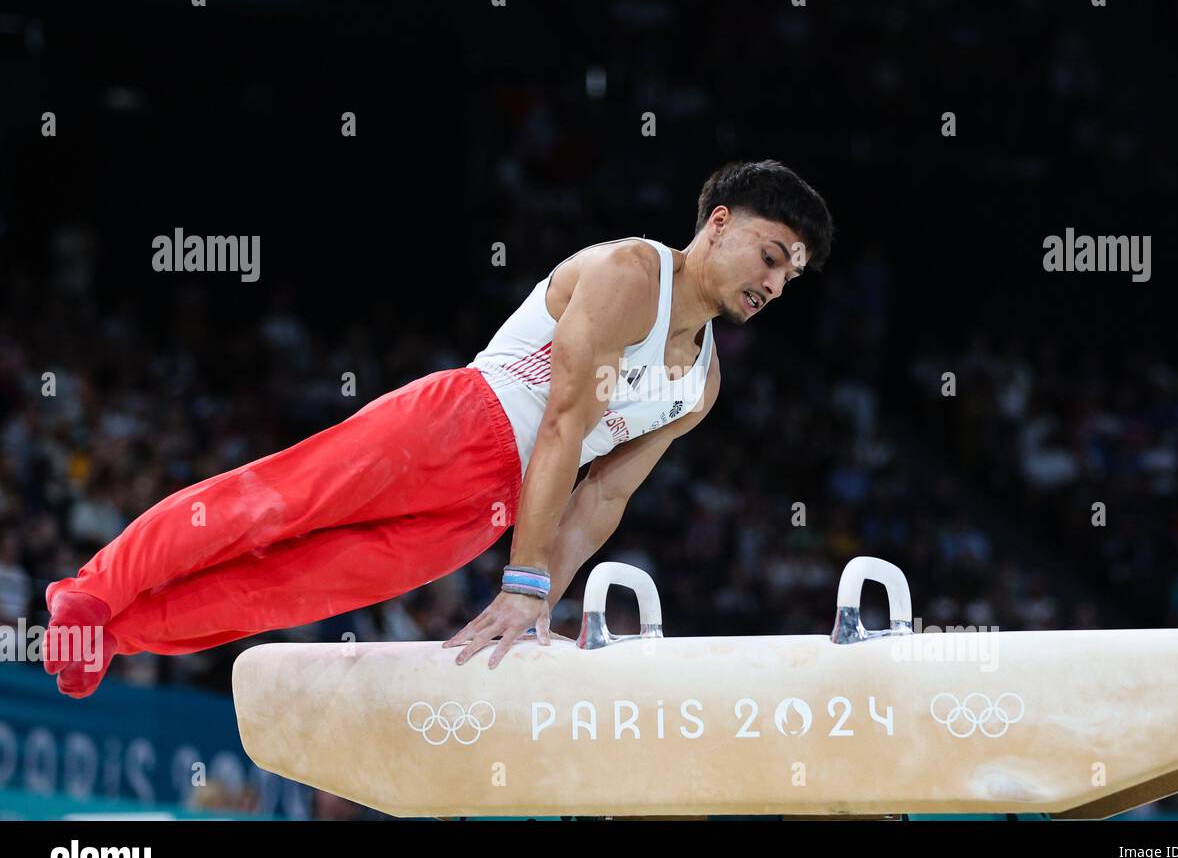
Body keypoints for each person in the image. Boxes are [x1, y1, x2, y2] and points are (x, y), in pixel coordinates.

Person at [43, 159, 834, 697]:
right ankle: (90, 593)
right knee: (269, 507)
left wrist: (535, 602)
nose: (772, 281)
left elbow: (602, 498)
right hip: (461, 425)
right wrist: (525, 577)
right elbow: (562, 421)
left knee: (290, 591)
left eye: (789, 275)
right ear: (720, 222)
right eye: (769, 255)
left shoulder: (702, 384)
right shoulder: (632, 274)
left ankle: (117, 636)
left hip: (488, 518)